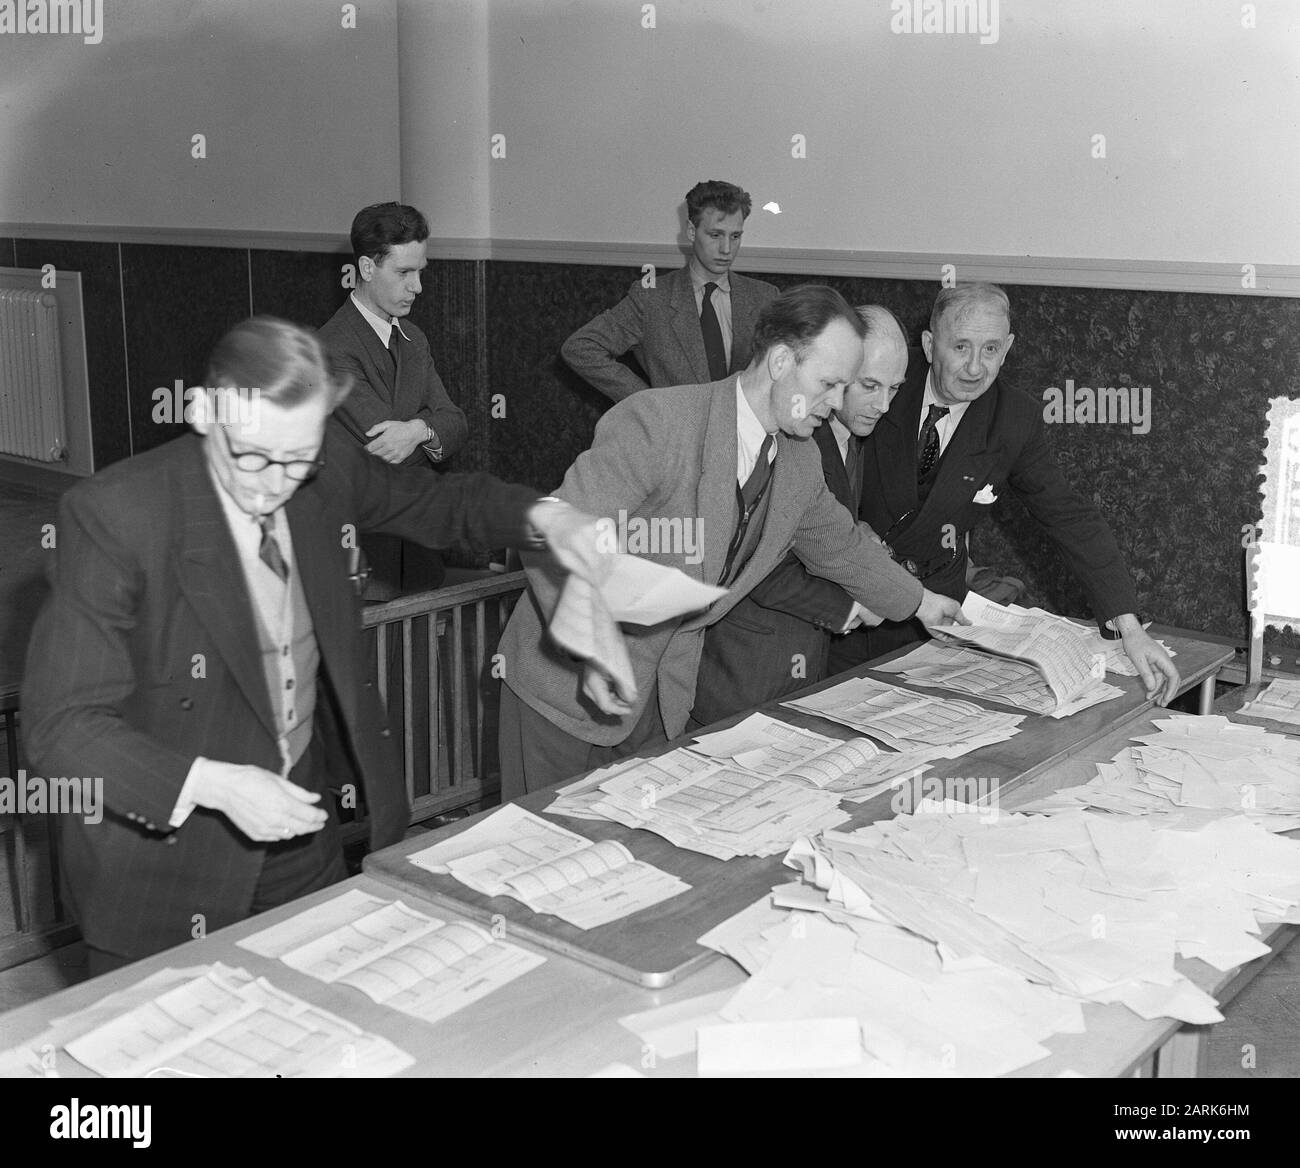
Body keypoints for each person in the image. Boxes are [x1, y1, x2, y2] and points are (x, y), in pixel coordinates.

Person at [21, 317, 621, 973]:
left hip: (303, 833)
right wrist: (210, 784)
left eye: (297, 457)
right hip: (165, 866)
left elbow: (445, 501)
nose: (275, 482)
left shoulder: (319, 470)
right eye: (250, 455)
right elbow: (61, 726)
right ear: (201, 411)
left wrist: (548, 518)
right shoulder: (115, 513)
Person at [497, 286, 967, 799]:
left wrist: (920, 602)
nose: (835, 404)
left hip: (658, 697)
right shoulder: (661, 422)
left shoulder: (798, 459)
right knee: (544, 858)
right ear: (782, 361)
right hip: (563, 689)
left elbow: (840, 546)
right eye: (829, 384)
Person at [841, 282, 1180, 701]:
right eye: (961, 347)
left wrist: (1128, 629)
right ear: (930, 345)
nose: (975, 368)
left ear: (1008, 348)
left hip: (936, 624)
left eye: (991, 350)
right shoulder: (879, 380)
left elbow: (1068, 517)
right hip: (852, 607)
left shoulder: (1014, 418)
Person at [690, 305, 909, 727]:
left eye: (895, 389)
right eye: (869, 385)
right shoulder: (794, 434)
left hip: (800, 661)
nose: (883, 405)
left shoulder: (851, 433)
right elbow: (758, 559)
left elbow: (830, 534)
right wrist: (850, 607)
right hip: (743, 667)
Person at [319, 202, 467, 598]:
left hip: (418, 555)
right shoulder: (332, 348)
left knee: (422, 661)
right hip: (365, 563)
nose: (417, 286)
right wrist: (428, 429)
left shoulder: (414, 338)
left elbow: (457, 422)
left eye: (420, 272)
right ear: (367, 269)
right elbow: (391, 453)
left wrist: (418, 428)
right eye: (403, 272)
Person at [561, 180, 779, 401]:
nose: (726, 249)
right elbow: (581, 348)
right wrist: (650, 402)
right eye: (715, 235)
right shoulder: (651, 298)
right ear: (692, 232)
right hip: (678, 431)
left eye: (735, 236)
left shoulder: (765, 297)